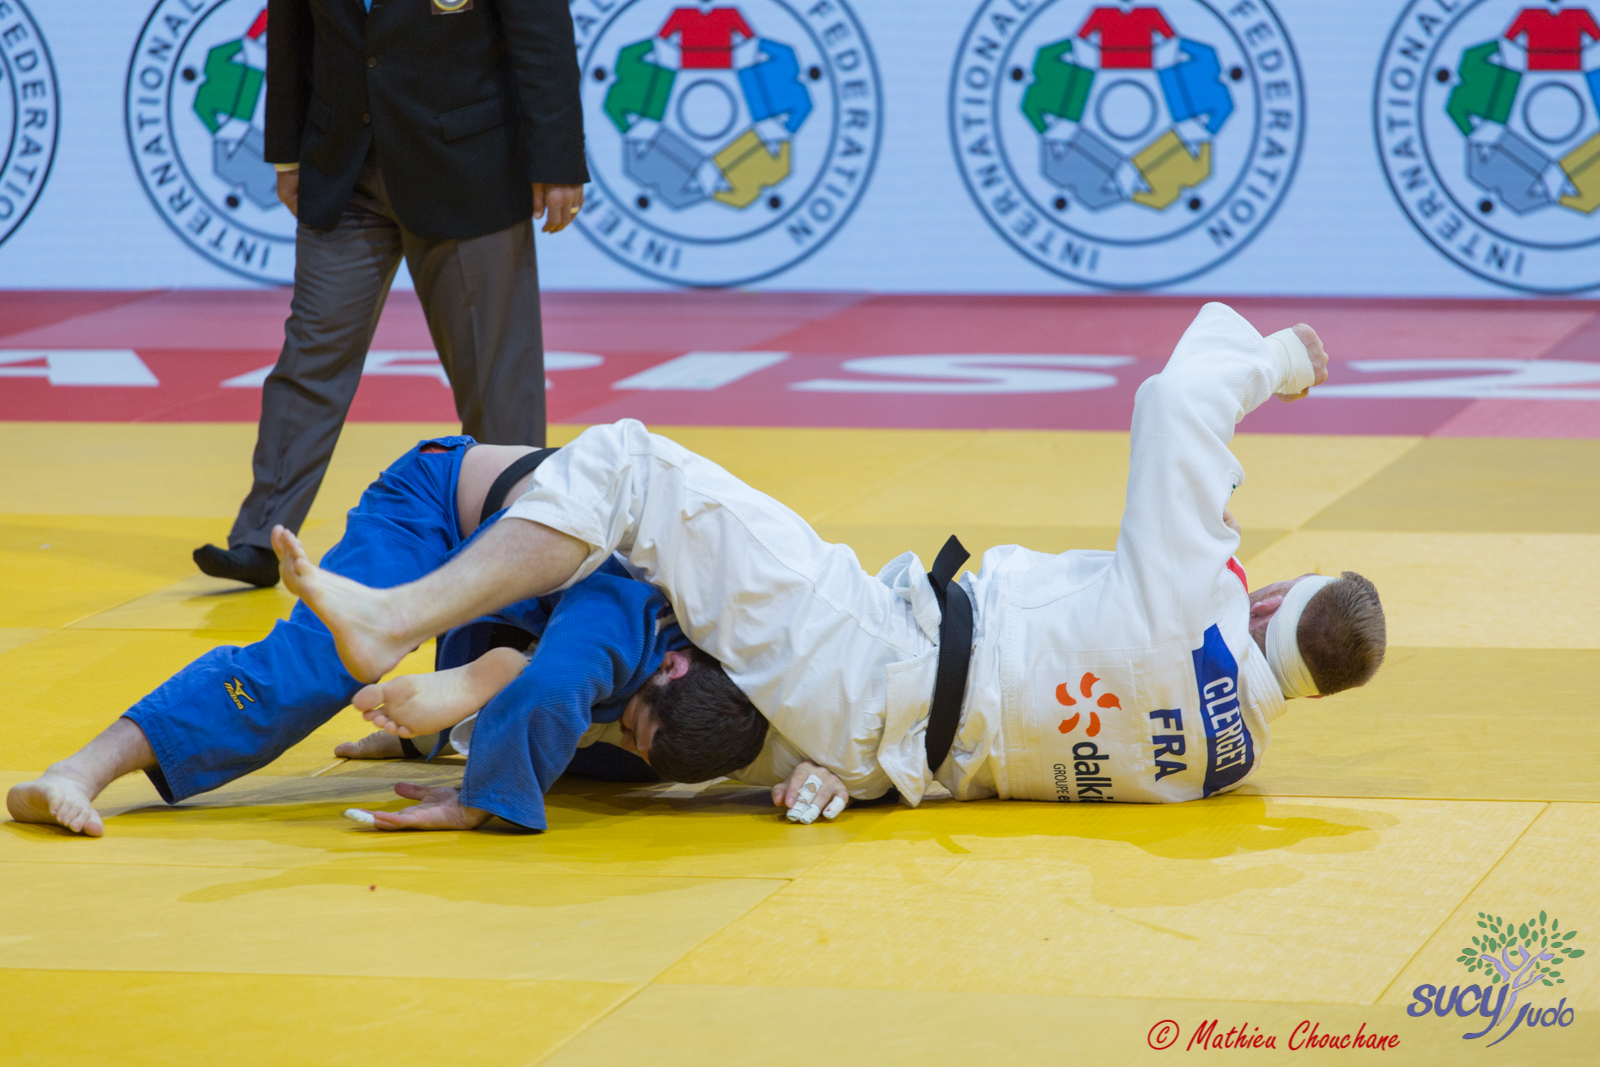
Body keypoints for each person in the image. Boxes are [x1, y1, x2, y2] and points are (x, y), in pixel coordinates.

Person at [271, 302, 1388, 821]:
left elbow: (1179, 402)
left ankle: (398, 618)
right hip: (870, 767)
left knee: (633, 471)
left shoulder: (1198, 609)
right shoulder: (1223, 764)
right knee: (666, 702)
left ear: (1272, 602)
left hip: (871, 655)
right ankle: (476, 736)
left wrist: (1277, 362)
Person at [8, 439, 767, 837]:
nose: (626, 734)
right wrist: (483, 803)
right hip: (438, 508)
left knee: (628, 767)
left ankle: (442, 719)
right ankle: (78, 771)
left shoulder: (750, 663)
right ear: (674, 664)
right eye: (636, 721)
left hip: (517, 597)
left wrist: (820, 777)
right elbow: (553, 689)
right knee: (318, 670)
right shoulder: (625, 619)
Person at [194, 0, 589, 587]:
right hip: (344, 167)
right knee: (311, 352)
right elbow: (291, 33)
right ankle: (259, 537)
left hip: (468, 167)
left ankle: (516, 542)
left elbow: (542, 36)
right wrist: (287, 154)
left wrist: (558, 160)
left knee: (496, 375)